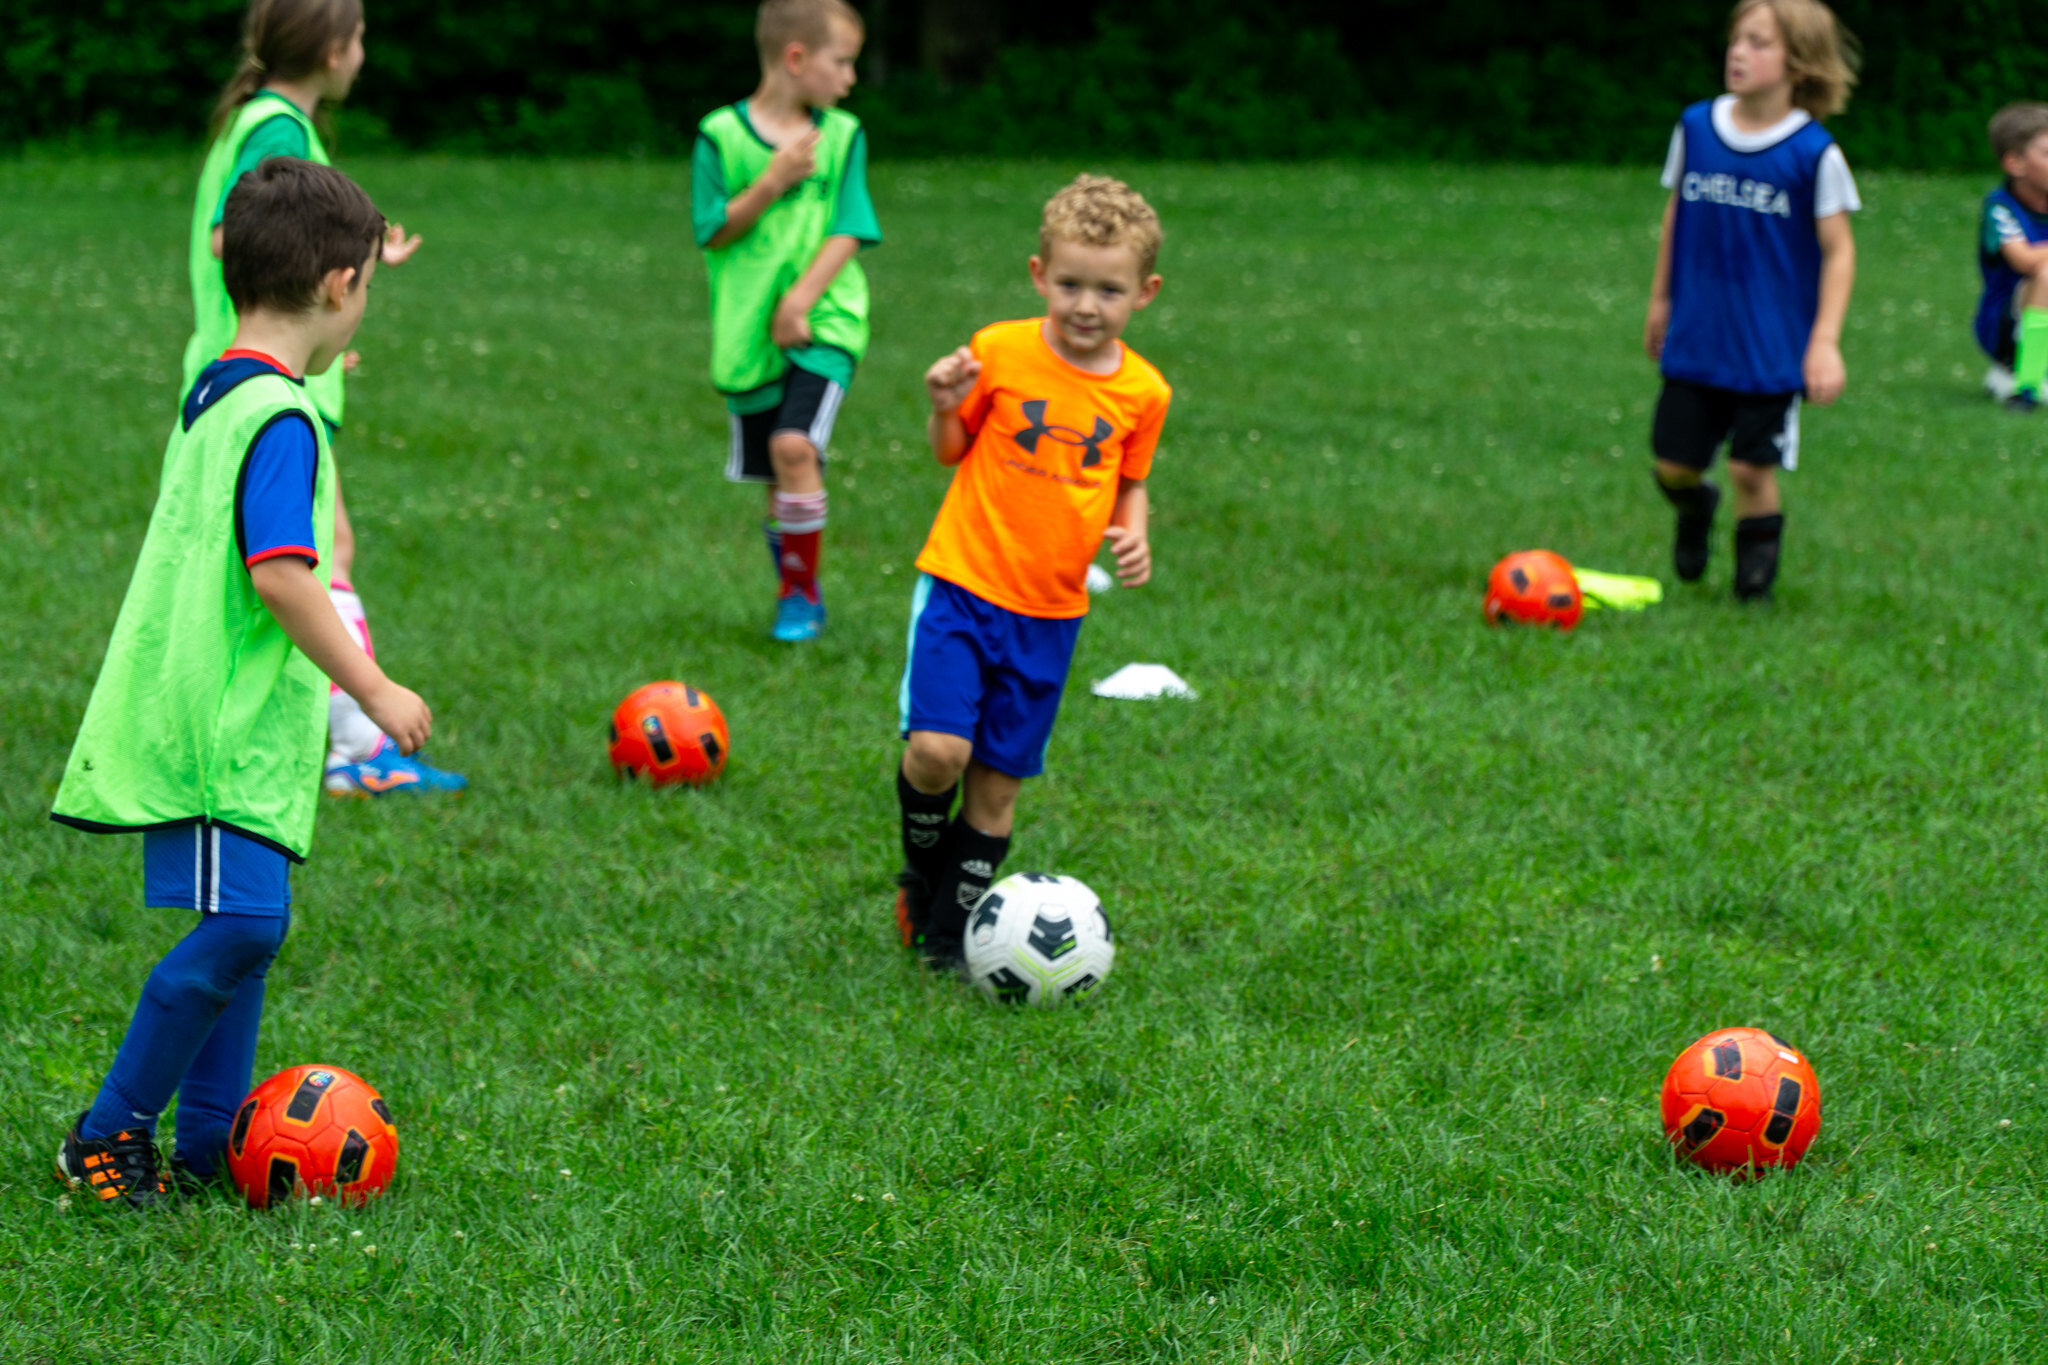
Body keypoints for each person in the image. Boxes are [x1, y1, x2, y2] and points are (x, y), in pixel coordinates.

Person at [53, 159, 434, 1206]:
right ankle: (106, 1132)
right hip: (224, 726)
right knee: (245, 929)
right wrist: (375, 687)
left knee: (252, 937)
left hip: (219, 719)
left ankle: (209, 1147)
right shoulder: (280, 417)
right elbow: (281, 577)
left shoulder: (219, 385)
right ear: (341, 285)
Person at [892, 175, 1171, 968]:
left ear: (1144, 293)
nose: (1087, 305)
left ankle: (948, 942)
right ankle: (922, 876)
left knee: (997, 789)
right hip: (963, 584)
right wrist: (946, 402)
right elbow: (951, 450)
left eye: (1109, 290)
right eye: (1071, 283)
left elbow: (1130, 479)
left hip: (1050, 613)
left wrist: (1134, 534)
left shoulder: (1144, 392)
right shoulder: (999, 349)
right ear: (1038, 274)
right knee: (939, 752)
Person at [187, 0, 462, 793]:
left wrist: (362, 252)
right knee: (317, 553)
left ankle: (338, 736)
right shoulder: (277, 126)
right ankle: (359, 745)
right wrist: (320, 277)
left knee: (310, 550)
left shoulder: (260, 115)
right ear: (331, 50)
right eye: (362, 35)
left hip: (251, 367)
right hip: (267, 379)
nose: (365, 50)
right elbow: (232, 232)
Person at [1642, 0, 1859, 602]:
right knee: (1673, 465)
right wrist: (1661, 298)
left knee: (1749, 467)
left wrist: (1824, 341)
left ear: (1801, 63)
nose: (1739, 52)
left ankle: (1753, 593)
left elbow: (1839, 251)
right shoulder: (1695, 127)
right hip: (1698, 334)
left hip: (1771, 346)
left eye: (1760, 43)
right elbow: (1676, 212)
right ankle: (1696, 505)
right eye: (1737, 39)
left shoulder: (1814, 154)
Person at [691, 0, 881, 642]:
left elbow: (851, 227)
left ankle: (800, 597)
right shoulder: (719, 135)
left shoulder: (844, 136)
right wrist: (771, 181)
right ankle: (796, 590)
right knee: (781, 479)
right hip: (748, 332)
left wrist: (800, 301)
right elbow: (713, 230)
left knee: (794, 446)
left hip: (825, 317)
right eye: (843, 61)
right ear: (797, 59)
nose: (850, 78)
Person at [1975, 103, 2048, 407]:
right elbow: (2026, 260)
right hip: (2005, 326)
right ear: (2015, 164)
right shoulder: (2001, 208)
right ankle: (2026, 384)